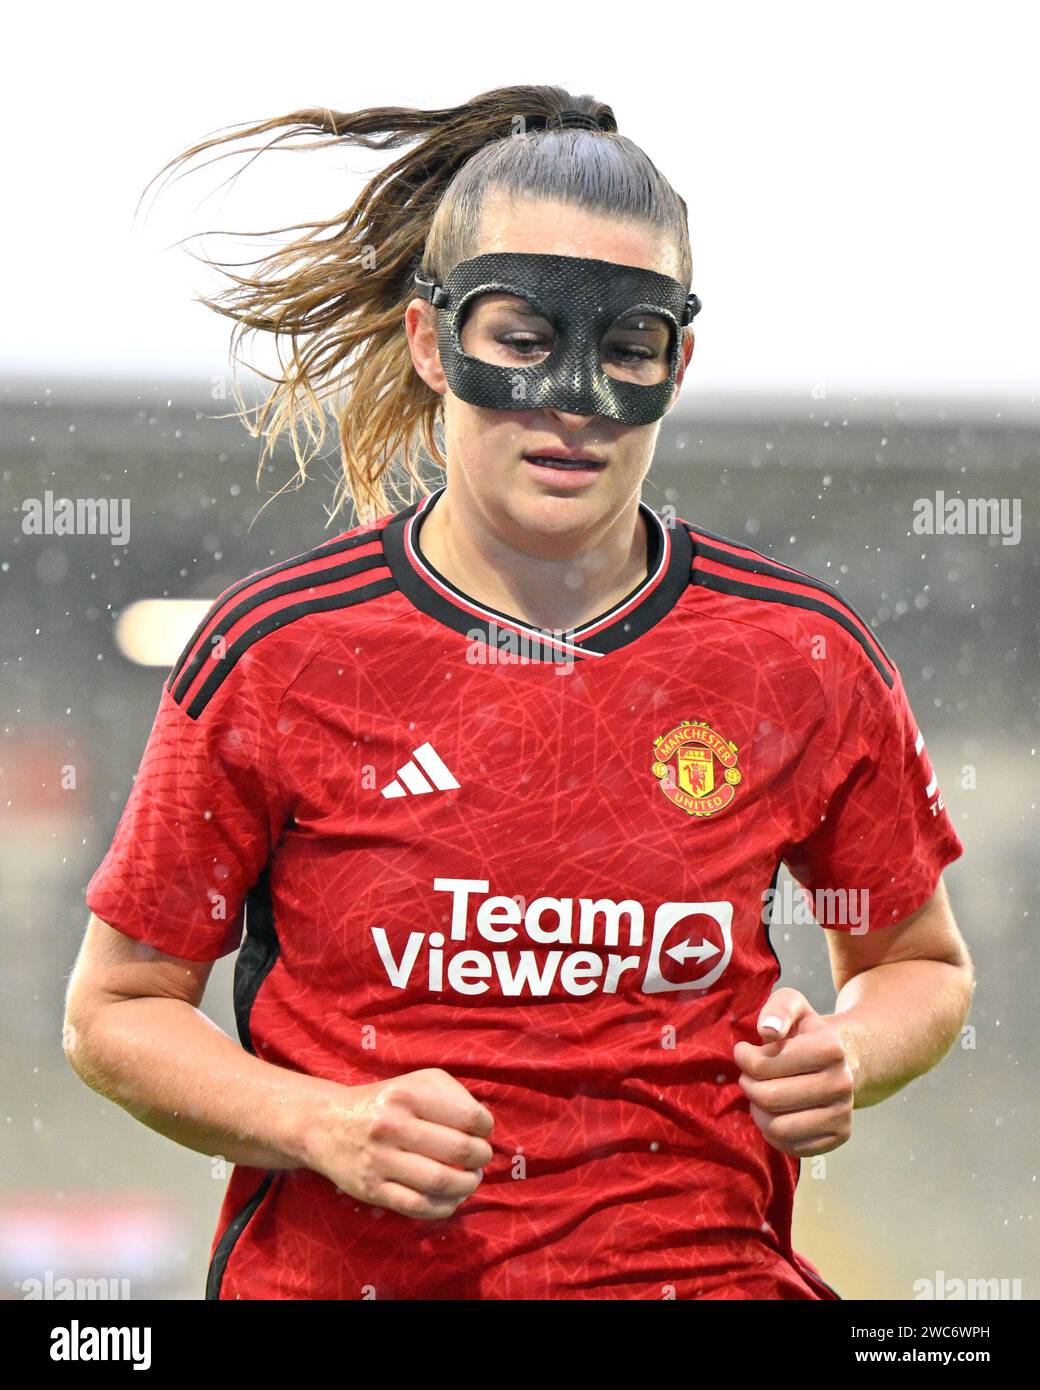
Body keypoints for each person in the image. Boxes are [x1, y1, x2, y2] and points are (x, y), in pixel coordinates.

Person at [64, 85, 974, 1301]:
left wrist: (847, 1051)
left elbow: (917, 962)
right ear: (432, 341)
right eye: (524, 339)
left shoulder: (797, 654)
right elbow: (116, 1009)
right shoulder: (279, 651)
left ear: (678, 361)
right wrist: (320, 1122)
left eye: (629, 347)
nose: (575, 403)